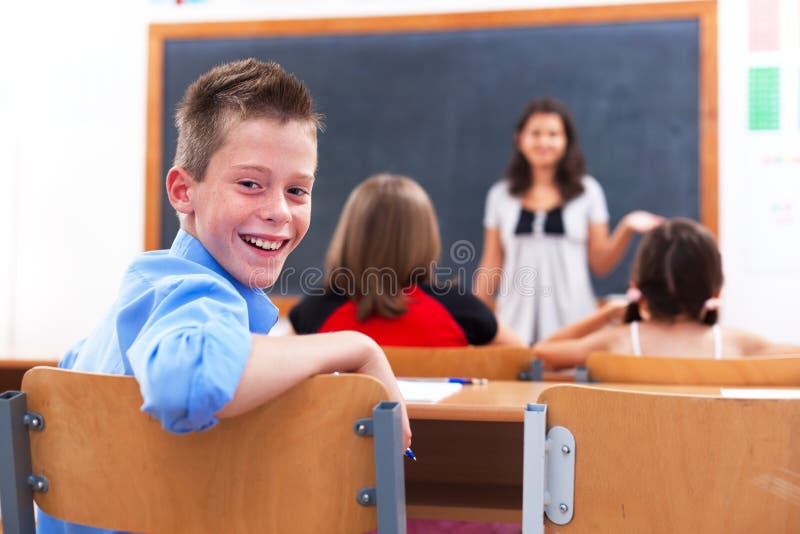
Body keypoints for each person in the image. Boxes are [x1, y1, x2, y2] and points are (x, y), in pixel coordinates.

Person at [38, 59, 411, 533]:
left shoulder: (140, 293)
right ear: (182, 191)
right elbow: (192, 381)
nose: (278, 210)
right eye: (250, 184)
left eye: (297, 190)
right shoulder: (195, 294)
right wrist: (358, 346)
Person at [475, 97, 662, 346]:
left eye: (553, 134)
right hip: (513, 324)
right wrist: (477, 317)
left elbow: (601, 262)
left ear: (566, 141)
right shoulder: (501, 195)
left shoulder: (587, 192)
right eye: (535, 133)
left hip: (574, 322)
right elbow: (491, 264)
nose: (544, 142)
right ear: (519, 139)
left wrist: (626, 227)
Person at [290, 173, 523, 347]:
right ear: (425, 237)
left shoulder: (314, 311)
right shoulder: (460, 308)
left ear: (350, 235)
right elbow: (521, 356)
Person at [532, 218, 800, 368]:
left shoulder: (615, 342)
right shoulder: (737, 345)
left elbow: (541, 353)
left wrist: (607, 314)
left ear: (636, 288)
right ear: (715, 290)